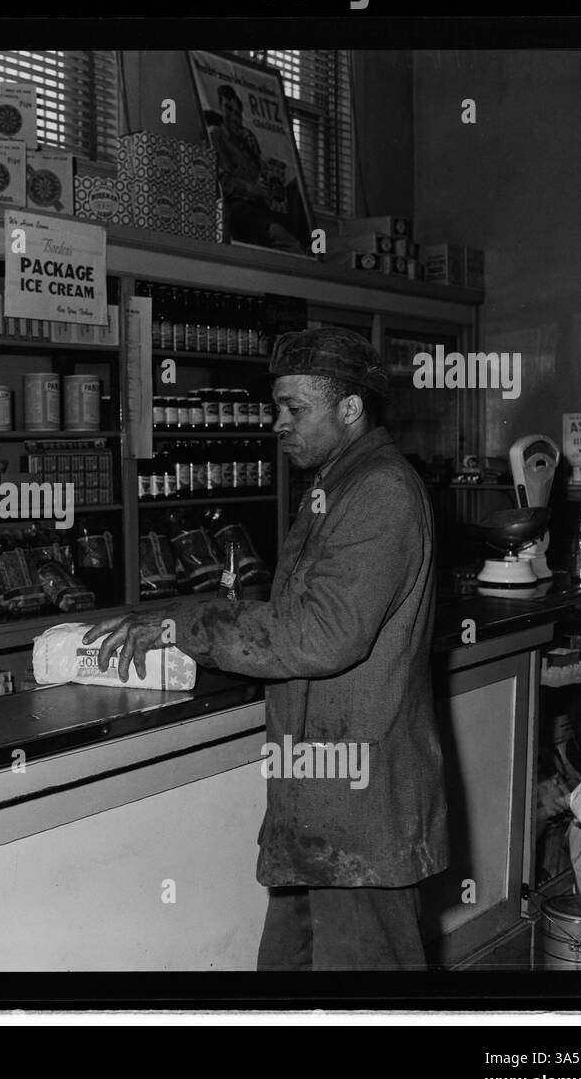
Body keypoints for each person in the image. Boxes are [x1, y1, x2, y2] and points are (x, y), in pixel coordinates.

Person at [85, 327, 448, 970]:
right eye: (276, 406)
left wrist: (186, 628)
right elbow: (295, 618)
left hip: (359, 804)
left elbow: (319, 635)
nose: (278, 423)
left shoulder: (381, 491)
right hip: (316, 791)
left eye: (296, 409)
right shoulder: (336, 482)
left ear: (351, 408)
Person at [205, 83, 307, 252]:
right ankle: (299, 251)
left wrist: (257, 157)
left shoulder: (246, 142)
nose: (233, 117)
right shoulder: (215, 135)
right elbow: (220, 181)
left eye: (237, 114)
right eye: (228, 109)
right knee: (286, 239)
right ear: (220, 108)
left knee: (298, 185)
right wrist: (252, 189)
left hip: (263, 206)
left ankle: (312, 248)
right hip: (240, 209)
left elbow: (263, 177)